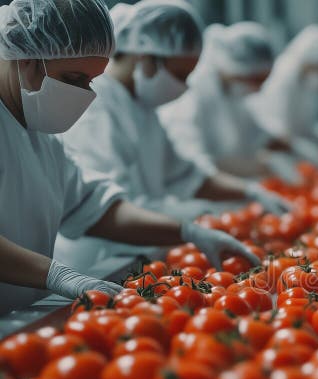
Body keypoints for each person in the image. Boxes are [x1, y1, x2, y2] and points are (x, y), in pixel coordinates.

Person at [0, 0, 260, 316]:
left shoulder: (41, 132)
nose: (86, 94)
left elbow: (96, 209)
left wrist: (186, 232)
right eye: (72, 79)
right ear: (25, 59)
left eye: (90, 81)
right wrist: (55, 274)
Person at [56, 0, 290, 271]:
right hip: (97, 259)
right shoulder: (96, 108)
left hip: (143, 250)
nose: (184, 86)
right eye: (179, 74)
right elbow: (105, 208)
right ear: (145, 57)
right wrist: (188, 224)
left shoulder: (143, 108)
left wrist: (249, 191)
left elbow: (185, 175)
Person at [159, 22, 301, 185]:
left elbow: (257, 133)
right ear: (234, 67)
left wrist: (295, 148)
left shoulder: (233, 95)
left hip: (230, 190)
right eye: (255, 80)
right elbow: (191, 161)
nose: (258, 88)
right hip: (202, 193)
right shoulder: (194, 93)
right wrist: (245, 186)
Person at [246, 24, 318, 167]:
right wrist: (299, 148)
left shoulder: (307, 84)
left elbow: (305, 129)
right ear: (317, 60)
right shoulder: (282, 78)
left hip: (293, 161)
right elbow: (275, 132)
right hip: (272, 161)